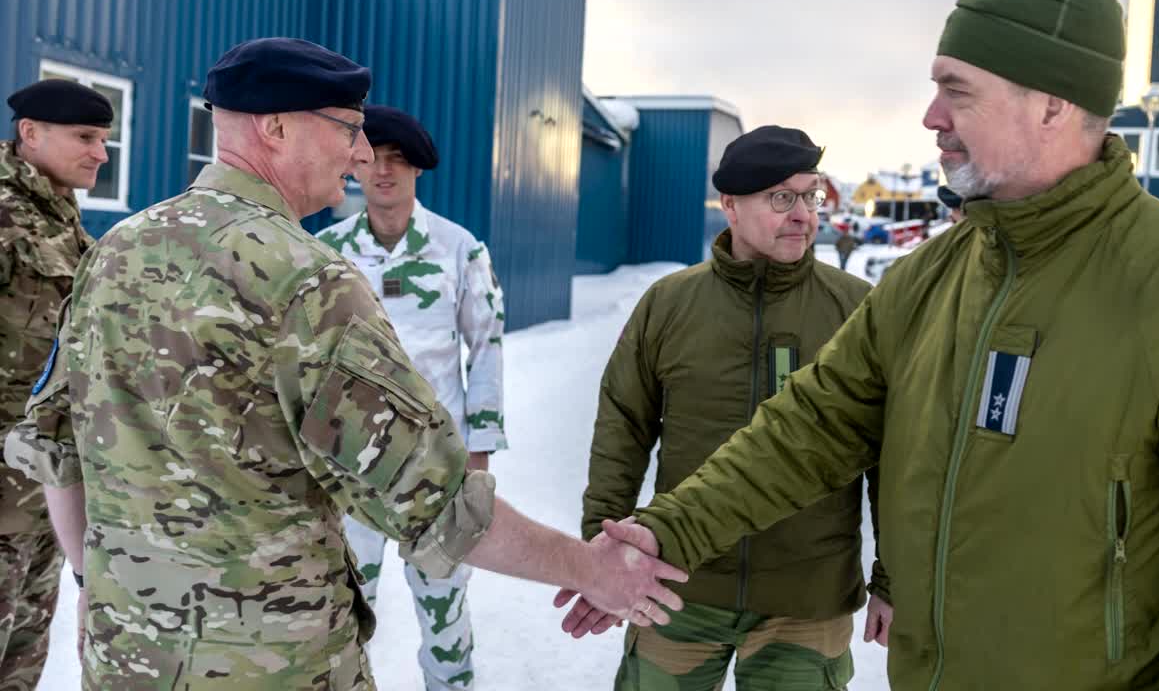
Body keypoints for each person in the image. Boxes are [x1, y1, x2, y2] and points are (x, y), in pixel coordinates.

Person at [562, 0, 1159, 688]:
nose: (932, 117)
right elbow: (807, 431)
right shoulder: (925, 282)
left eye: (957, 91)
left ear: (1053, 103)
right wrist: (665, 532)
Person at [3, 37, 686, 690]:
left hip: (128, 656)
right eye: (348, 128)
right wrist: (592, 570)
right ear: (276, 128)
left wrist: (95, 583)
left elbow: (55, 446)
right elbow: (438, 503)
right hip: (270, 666)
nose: (360, 153)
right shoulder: (306, 279)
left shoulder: (114, 250)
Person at [577, 125, 888, 690]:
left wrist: (892, 577)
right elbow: (622, 428)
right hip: (678, 585)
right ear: (730, 205)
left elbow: (889, 456)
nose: (803, 214)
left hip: (806, 598)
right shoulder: (670, 304)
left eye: (811, 195)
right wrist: (601, 554)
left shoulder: (855, 310)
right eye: (781, 197)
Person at [317, 105, 505, 691]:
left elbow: (487, 347)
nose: (384, 171)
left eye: (399, 160)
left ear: (418, 169)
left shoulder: (458, 249)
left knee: (444, 609)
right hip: (351, 463)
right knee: (344, 606)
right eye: (373, 158)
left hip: (436, 463)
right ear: (354, 165)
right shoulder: (325, 251)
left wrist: (479, 453)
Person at [0, 79, 109, 690]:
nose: (101, 153)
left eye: (104, 139)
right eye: (85, 137)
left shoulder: (60, 217)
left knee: (22, 660)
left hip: (44, 491)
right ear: (30, 133)